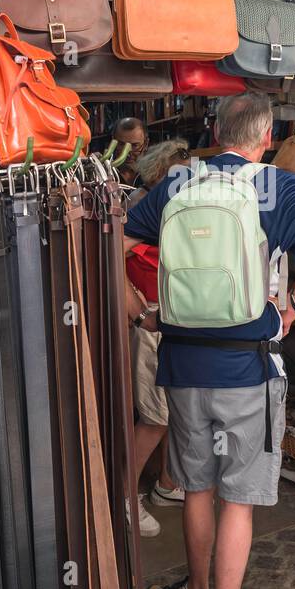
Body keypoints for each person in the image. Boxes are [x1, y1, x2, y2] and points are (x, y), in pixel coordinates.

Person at [123, 93, 295, 589]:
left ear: (217, 130)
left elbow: (110, 245)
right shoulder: (274, 186)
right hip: (247, 367)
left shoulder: (177, 183)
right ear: (266, 135)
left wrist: (139, 310)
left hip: (181, 362)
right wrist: (293, 306)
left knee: (195, 487)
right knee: (239, 499)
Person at [123, 140, 190, 536]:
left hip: (168, 315)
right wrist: (142, 315)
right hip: (150, 316)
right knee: (155, 416)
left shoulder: (160, 206)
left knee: (171, 411)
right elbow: (121, 263)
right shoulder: (141, 209)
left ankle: (167, 483)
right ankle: (125, 498)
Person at [112, 116, 148, 185]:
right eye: (122, 144)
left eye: (135, 145)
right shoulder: (103, 175)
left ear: (146, 144)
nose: (127, 154)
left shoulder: (156, 175)